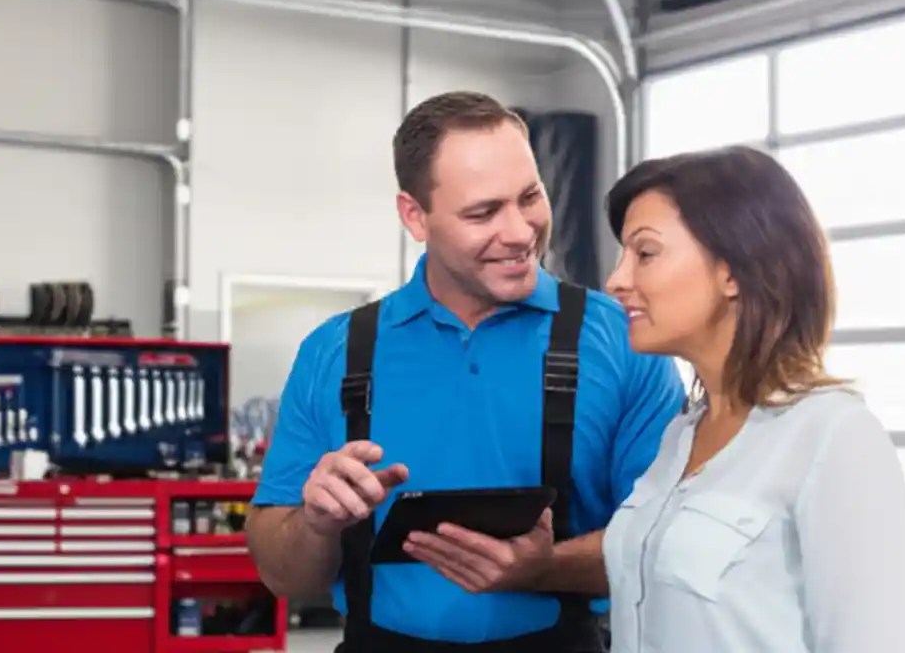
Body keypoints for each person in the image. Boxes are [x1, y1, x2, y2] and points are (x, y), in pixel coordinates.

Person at [245, 90, 686, 652]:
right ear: (415, 216)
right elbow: (283, 577)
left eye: (530, 196)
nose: (521, 231)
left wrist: (545, 568)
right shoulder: (335, 353)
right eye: (483, 212)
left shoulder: (626, 341)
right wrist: (316, 522)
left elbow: (668, 547)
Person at [601, 145, 905, 653]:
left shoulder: (834, 438)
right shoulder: (681, 435)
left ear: (732, 270)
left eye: (645, 253)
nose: (616, 280)